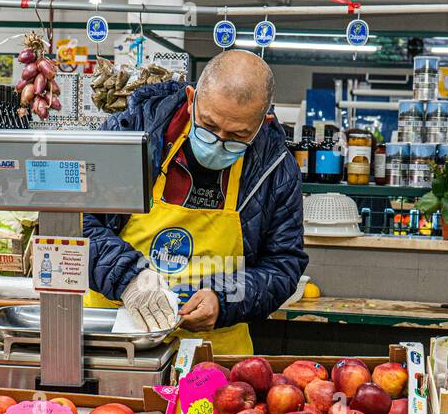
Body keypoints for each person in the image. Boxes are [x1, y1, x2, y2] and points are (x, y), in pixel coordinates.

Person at [84, 50, 307, 354]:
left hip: (214, 354)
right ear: (191, 99)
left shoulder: (276, 169)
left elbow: (283, 266)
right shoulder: (128, 133)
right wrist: (130, 278)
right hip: (118, 338)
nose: (218, 141)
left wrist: (223, 299)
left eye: (237, 135)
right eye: (208, 125)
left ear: (262, 122)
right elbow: (77, 227)